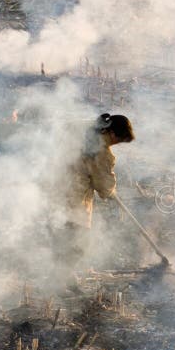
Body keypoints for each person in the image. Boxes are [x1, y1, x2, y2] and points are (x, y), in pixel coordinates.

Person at [57, 113, 135, 267]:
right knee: (77, 242)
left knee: (60, 238)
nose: (116, 144)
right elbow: (104, 188)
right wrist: (112, 192)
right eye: (118, 140)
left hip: (51, 185)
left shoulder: (83, 126)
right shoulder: (102, 153)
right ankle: (62, 279)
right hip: (74, 198)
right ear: (112, 133)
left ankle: (62, 278)